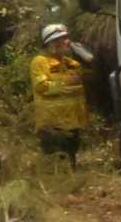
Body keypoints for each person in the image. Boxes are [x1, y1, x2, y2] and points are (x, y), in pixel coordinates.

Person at [30, 22, 96, 161]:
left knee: (70, 158)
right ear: (51, 43)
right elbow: (42, 87)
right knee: (55, 161)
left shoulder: (72, 64)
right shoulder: (40, 62)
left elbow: (89, 80)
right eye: (61, 39)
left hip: (72, 123)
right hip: (52, 124)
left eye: (66, 38)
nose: (66, 42)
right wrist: (66, 83)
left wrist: (85, 56)